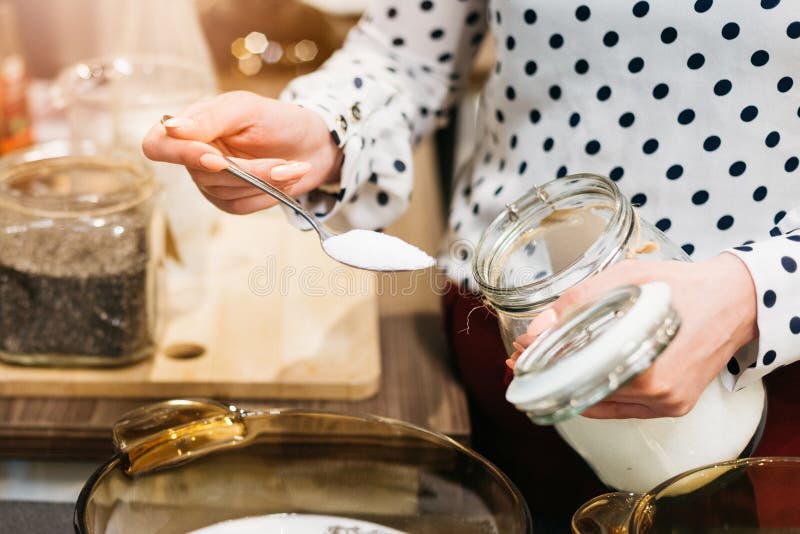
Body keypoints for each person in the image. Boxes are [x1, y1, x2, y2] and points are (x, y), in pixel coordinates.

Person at [143, 1, 800, 527]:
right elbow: (407, 52)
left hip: (765, 361)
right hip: (511, 327)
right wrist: (324, 127)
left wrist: (753, 292)